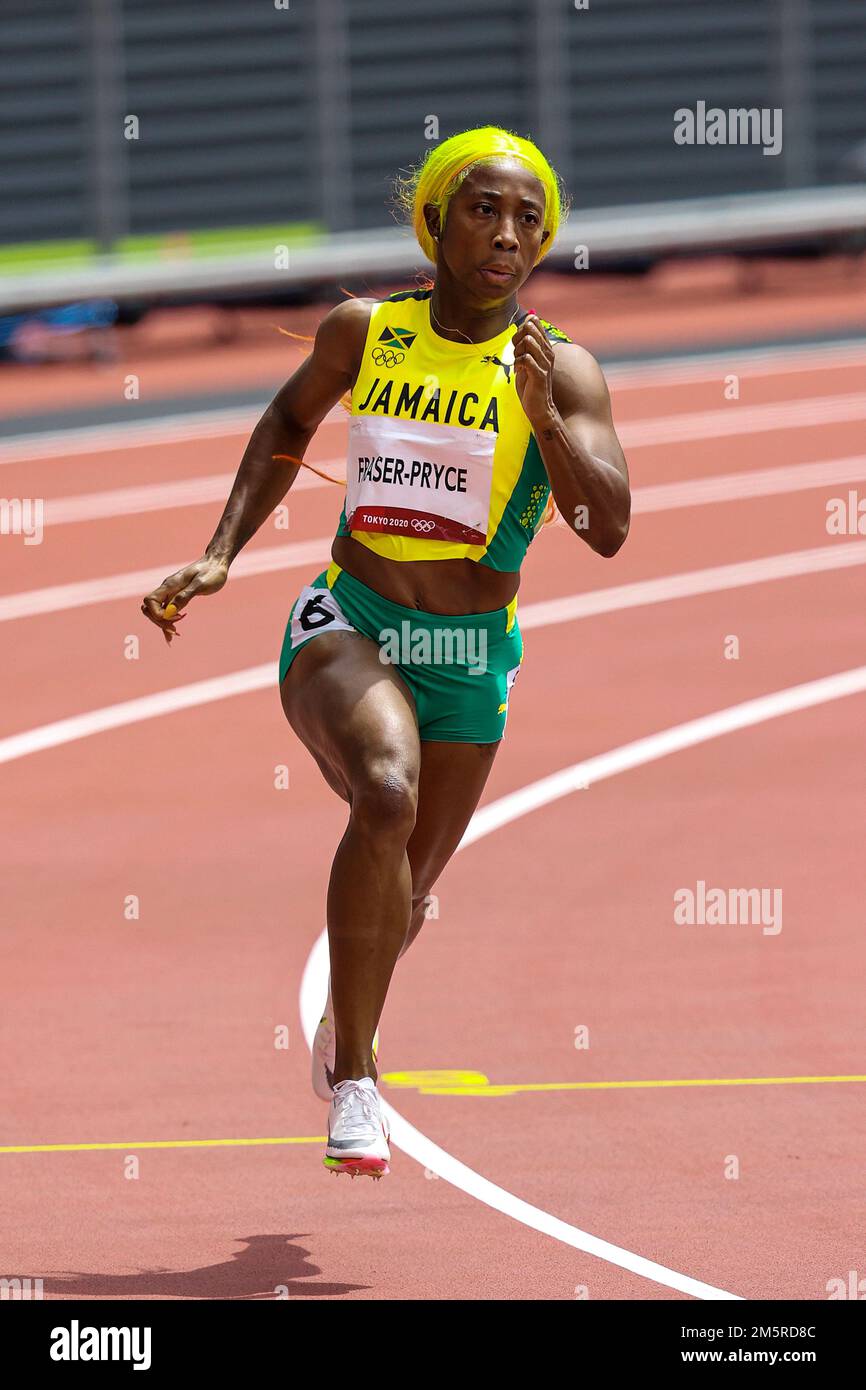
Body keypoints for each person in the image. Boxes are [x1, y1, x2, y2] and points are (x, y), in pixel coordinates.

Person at [141, 125, 630, 1181]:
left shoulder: (560, 368)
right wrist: (220, 553)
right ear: (437, 216)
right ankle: (358, 1082)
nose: (506, 234)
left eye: (527, 221)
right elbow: (286, 417)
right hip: (350, 618)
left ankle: (346, 1023)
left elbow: (609, 527)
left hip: (469, 654)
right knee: (384, 790)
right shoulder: (364, 331)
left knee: (402, 892)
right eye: (483, 208)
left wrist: (545, 424)